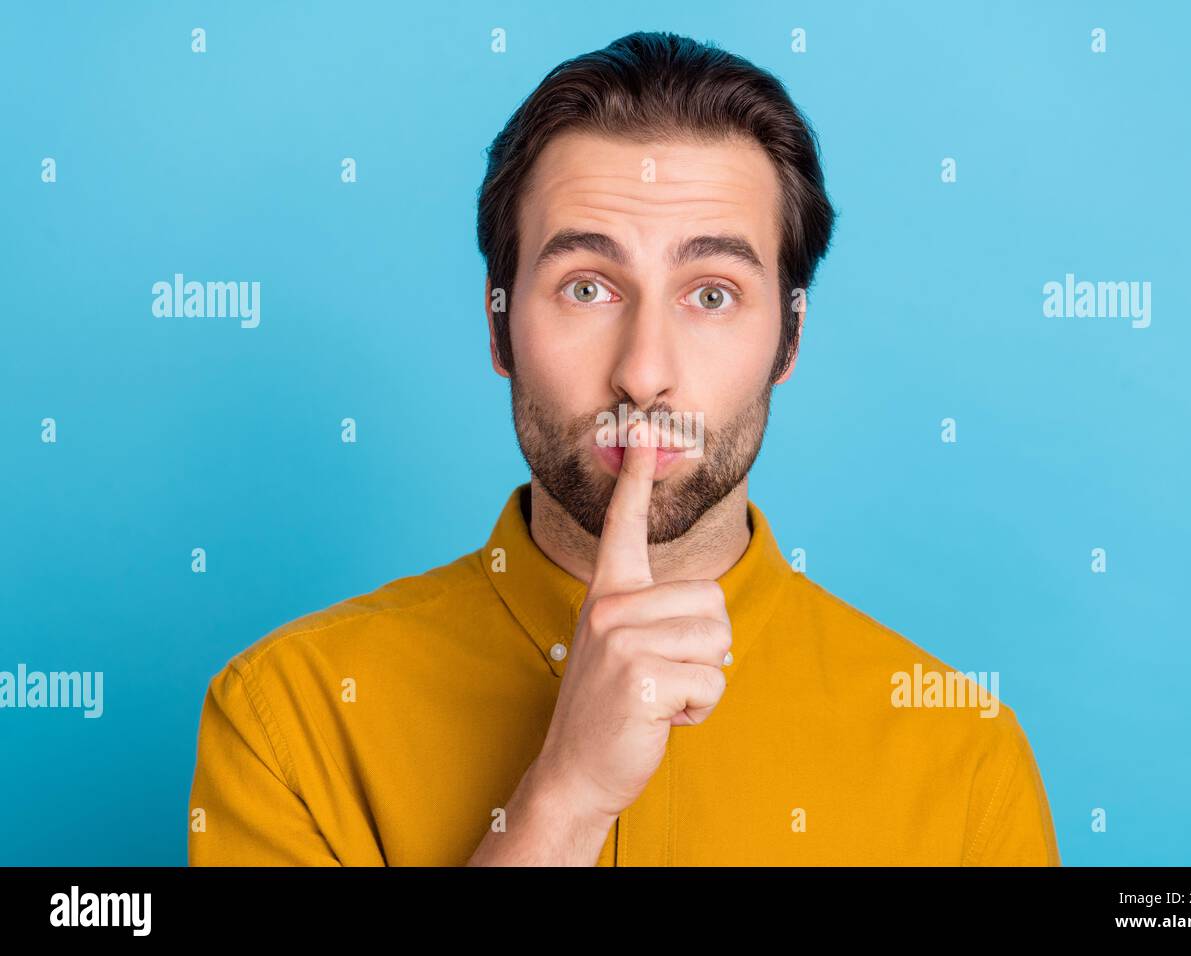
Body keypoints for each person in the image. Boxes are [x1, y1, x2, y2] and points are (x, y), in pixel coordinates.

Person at [188, 31, 1060, 866]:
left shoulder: (965, 756)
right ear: (500, 328)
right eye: (588, 287)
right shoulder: (286, 718)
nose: (644, 374)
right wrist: (566, 795)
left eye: (712, 295)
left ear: (789, 342)